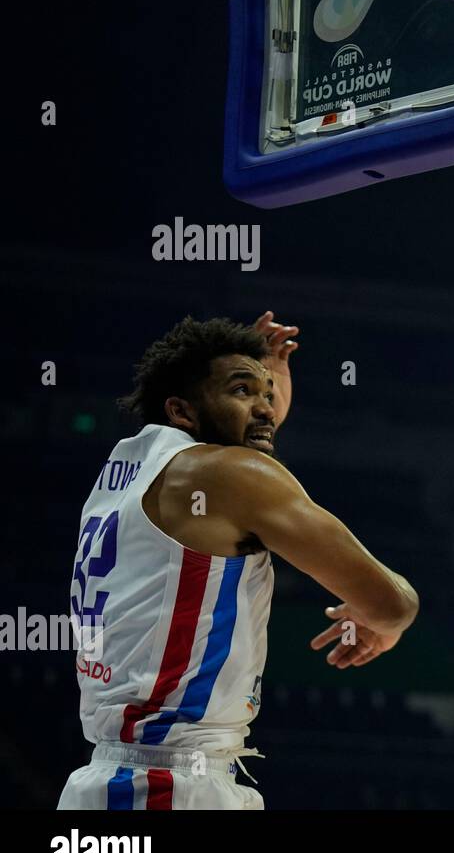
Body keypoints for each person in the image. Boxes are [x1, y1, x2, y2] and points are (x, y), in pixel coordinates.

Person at [58, 312, 419, 809]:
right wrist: (386, 620)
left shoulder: (130, 470)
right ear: (182, 411)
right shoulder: (227, 477)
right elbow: (391, 605)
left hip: (120, 778)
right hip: (166, 787)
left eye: (267, 394)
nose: (266, 409)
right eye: (243, 391)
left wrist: (259, 395)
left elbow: (234, 479)